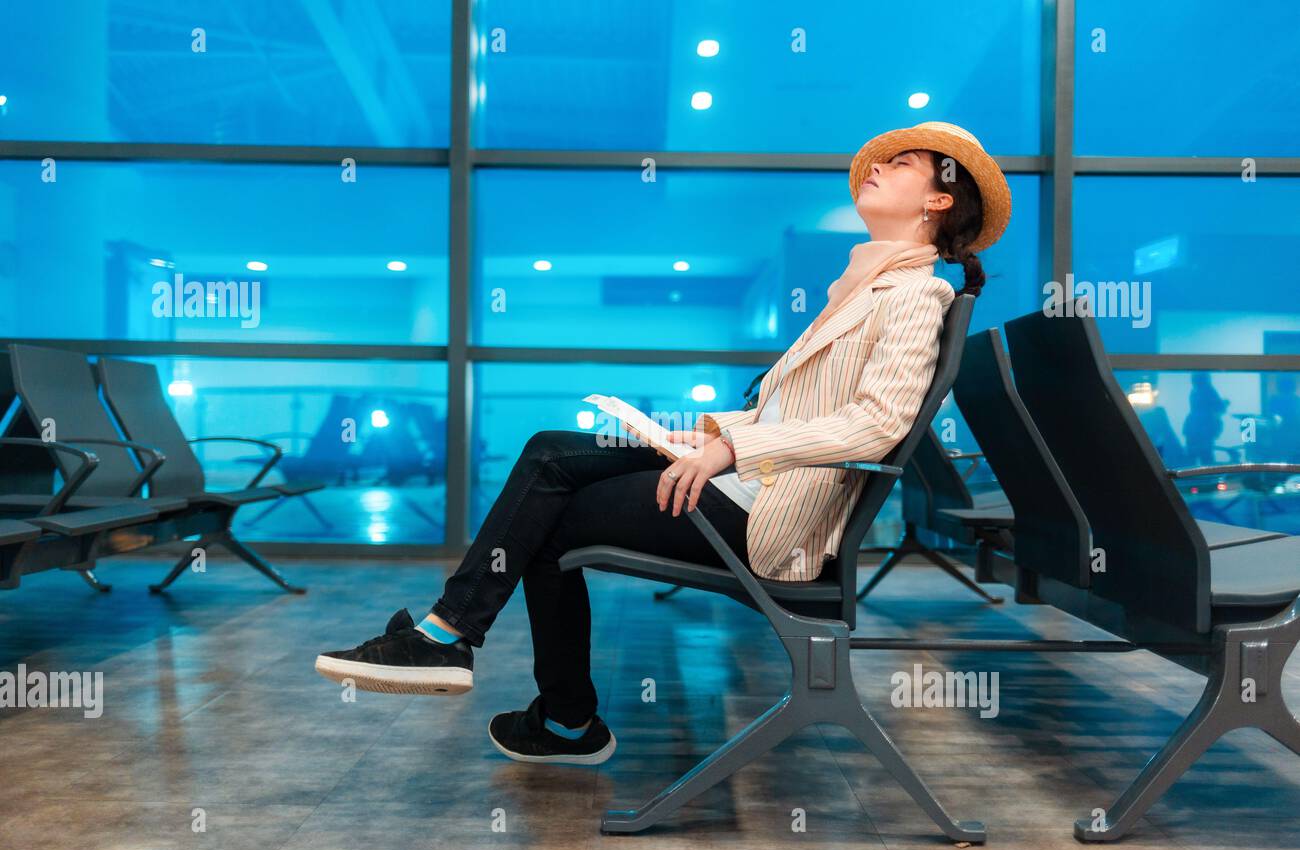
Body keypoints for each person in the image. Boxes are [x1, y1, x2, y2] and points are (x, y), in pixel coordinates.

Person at [315, 121, 1012, 765]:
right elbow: (794, 410)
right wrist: (703, 437)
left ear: (940, 202)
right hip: (750, 480)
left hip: (771, 514)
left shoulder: (915, 297)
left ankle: (506, 680)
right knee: (549, 450)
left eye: (903, 163)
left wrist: (732, 451)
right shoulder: (861, 286)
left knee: (545, 517)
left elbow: (877, 424)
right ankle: (471, 654)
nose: (879, 168)